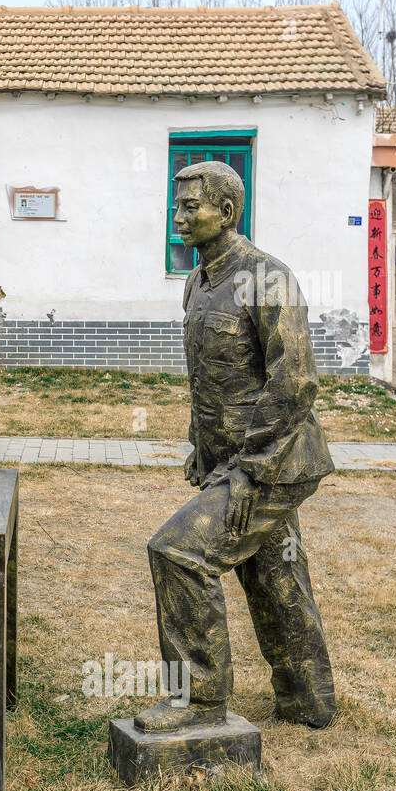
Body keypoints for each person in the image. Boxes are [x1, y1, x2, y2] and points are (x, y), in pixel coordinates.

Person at [135, 160, 337, 734]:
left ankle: (198, 702)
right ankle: (308, 700)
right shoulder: (197, 283)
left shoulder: (267, 278)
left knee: (178, 551)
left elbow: (293, 381)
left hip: (275, 461)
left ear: (227, 211)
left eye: (189, 207)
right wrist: (203, 448)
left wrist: (250, 472)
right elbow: (213, 377)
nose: (178, 218)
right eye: (174, 207)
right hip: (228, 458)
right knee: (275, 570)